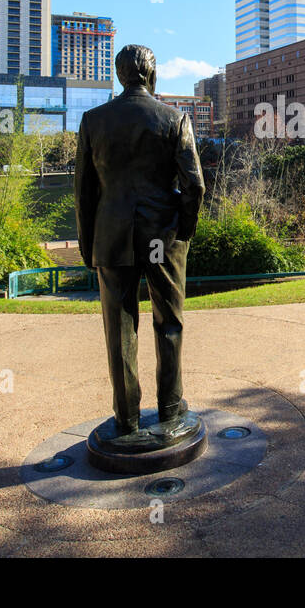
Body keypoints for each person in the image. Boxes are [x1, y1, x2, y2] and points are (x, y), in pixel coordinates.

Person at [74, 44, 205, 444]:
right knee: (169, 321)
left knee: (118, 326)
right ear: (151, 74)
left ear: (119, 75)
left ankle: (127, 417)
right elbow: (195, 185)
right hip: (162, 238)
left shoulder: (93, 120)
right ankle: (170, 407)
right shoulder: (174, 118)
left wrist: (88, 244)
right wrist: (181, 231)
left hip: (111, 236)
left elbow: (83, 191)